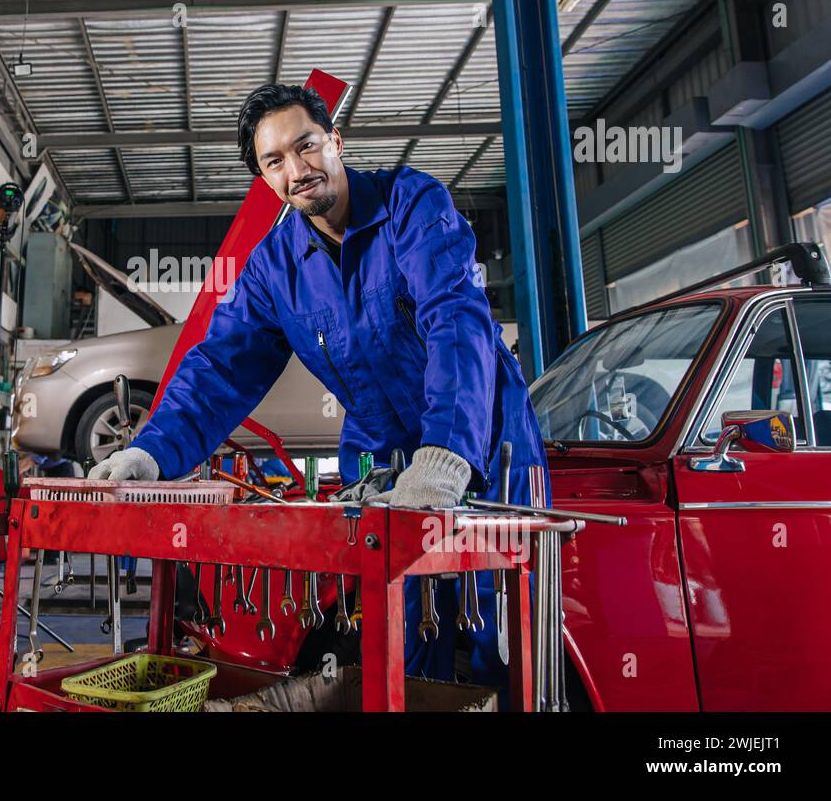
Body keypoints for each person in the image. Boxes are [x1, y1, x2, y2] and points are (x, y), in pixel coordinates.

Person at [88, 83, 548, 687]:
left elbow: (454, 323)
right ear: (265, 178)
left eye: (305, 147)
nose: (297, 170)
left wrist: (446, 455)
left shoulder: (412, 204)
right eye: (274, 162)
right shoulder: (273, 269)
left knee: (504, 627)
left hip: (485, 435)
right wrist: (149, 451)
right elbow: (221, 366)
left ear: (335, 140)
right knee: (398, 627)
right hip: (380, 450)